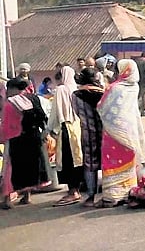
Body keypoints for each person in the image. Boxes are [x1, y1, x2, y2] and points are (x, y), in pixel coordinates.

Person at [97, 59, 145, 208]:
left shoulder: (114, 88)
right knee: (128, 162)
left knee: (112, 162)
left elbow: (101, 107)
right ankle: (128, 192)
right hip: (130, 132)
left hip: (113, 133)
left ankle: (112, 196)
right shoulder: (134, 87)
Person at [0, 78, 51, 210]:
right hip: (33, 137)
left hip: (16, 139)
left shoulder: (9, 104)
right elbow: (42, 116)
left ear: (12, 89)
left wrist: (2, 138)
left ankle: (6, 199)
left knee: (10, 168)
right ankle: (27, 196)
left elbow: (6, 126)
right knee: (30, 167)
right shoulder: (33, 98)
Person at [47, 66, 84, 207]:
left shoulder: (61, 90)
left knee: (67, 160)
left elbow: (56, 112)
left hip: (66, 127)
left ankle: (73, 191)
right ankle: (77, 190)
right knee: (77, 159)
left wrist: (50, 129)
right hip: (77, 127)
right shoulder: (76, 89)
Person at [71, 67, 104, 207]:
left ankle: (91, 197)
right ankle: (107, 195)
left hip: (87, 133)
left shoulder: (76, 95)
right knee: (106, 163)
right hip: (105, 132)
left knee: (90, 165)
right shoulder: (103, 92)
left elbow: (77, 113)